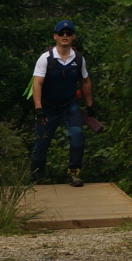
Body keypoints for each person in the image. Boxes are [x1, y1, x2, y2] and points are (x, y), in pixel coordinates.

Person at [30, 19, 93, 186]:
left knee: (77, 137)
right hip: (48, 107)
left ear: (73, 37)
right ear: (55, 36)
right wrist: (38, 109)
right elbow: (37, 83)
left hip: (69, 105)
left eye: (68, 33)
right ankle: (36, 178)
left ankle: (74, 173)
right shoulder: (46, 59)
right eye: (61, 33)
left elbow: (85, 82)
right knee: (41, 142)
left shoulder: (79, 59)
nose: (65, 36)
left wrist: (90, 106)